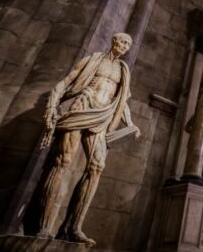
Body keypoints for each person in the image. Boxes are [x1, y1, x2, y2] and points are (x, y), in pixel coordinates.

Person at [37, 33, 140, 245]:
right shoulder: (93, 60)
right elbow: (64, 83)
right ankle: (43, 225)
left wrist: (129, 123)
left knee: (97, 166)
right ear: (113, 41)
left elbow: (122, 99)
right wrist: (50, 107)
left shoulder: (122, 70)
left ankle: (73, 227)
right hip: (82, 107)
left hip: (102, 116)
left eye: (128, 44)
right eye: (122, 41)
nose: (124, 46)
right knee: (62, 162)